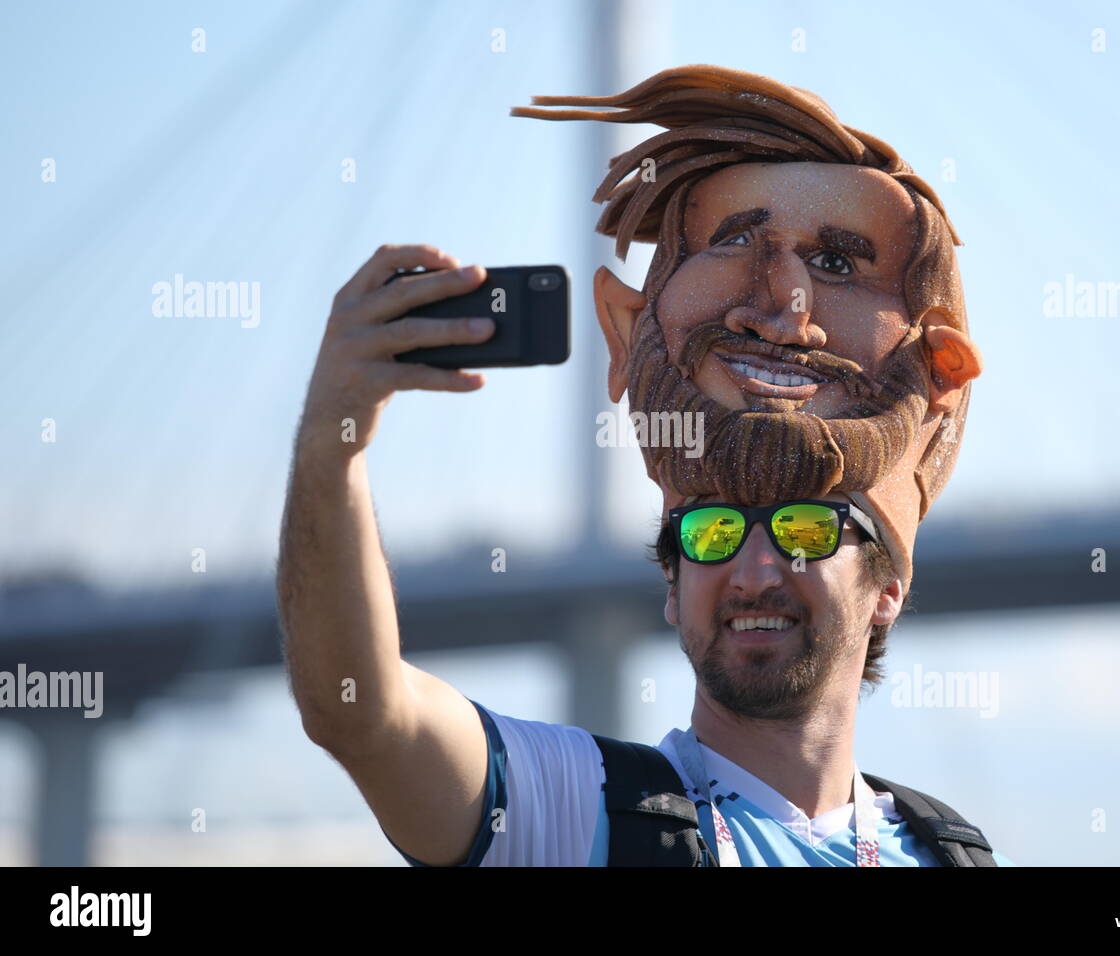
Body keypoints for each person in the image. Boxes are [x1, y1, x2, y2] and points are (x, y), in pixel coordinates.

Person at [276, 64, 1013, 866]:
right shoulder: (571, 809)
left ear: (888, 590)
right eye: (711, 531)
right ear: (672, 589)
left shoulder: (951, 857)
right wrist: (332, 440)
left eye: (805, 528)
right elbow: (361, 712)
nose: (754, 566)